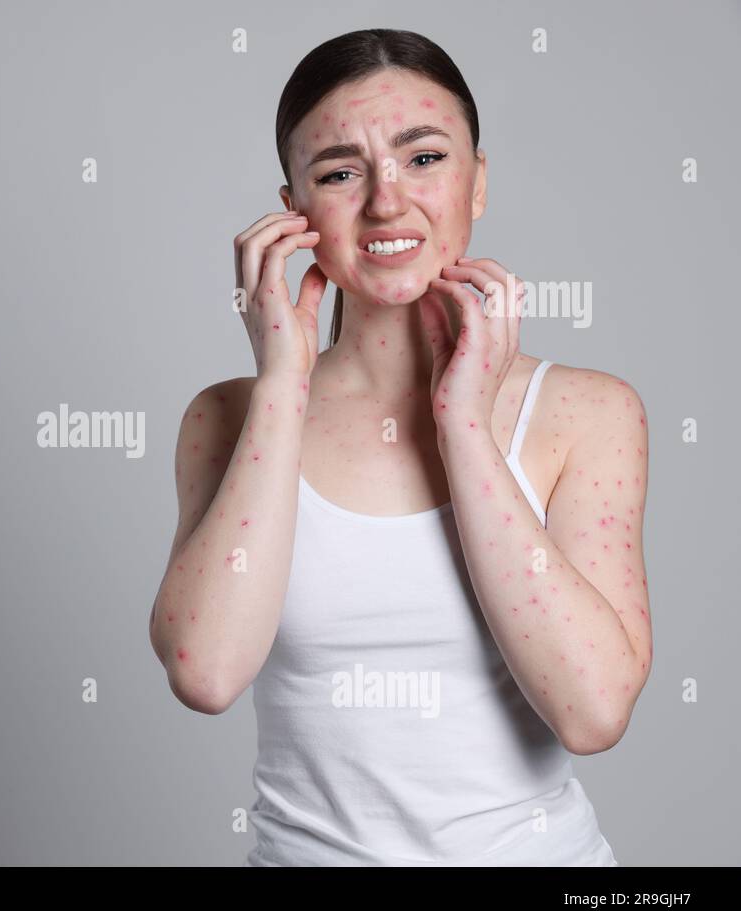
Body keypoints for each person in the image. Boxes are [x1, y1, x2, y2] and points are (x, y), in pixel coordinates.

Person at [147, 28, 651, 866]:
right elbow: (207, 672)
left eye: (424, 158)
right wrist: (281, 383)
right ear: (294, 208)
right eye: (341, 172)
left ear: (478, 180)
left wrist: (462, 425)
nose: (386, 202)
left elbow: (594, 712)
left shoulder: (588, 413)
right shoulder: (228, 419)